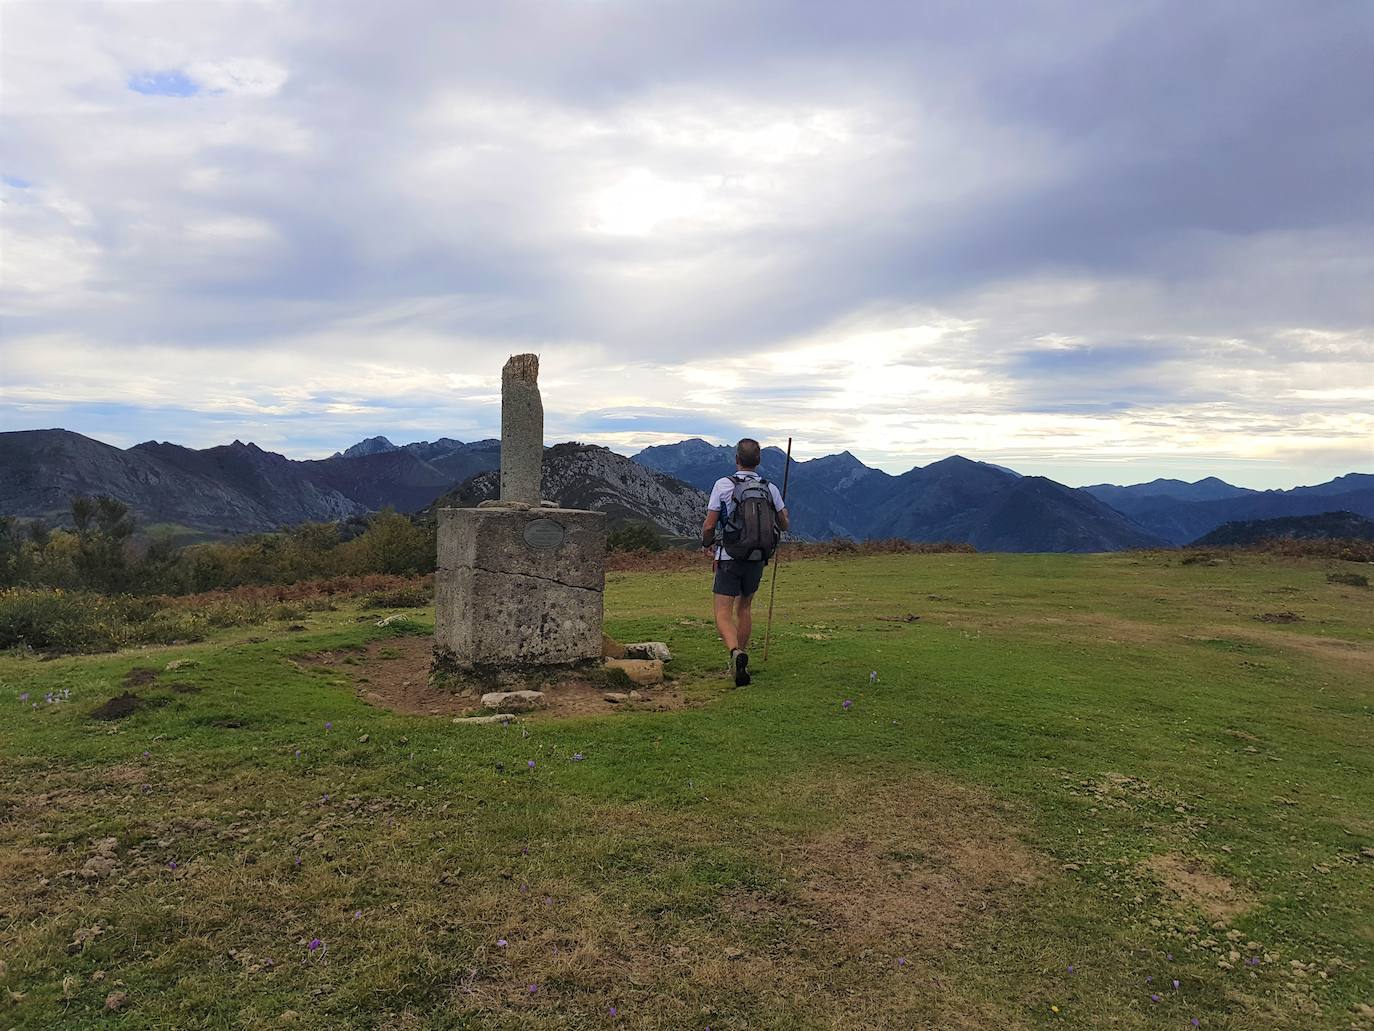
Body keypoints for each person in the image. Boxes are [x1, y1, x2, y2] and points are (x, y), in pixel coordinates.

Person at [700, 438, 789, 686]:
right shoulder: (769, 487)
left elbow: (710, 524)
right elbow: (783, 524)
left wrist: (706, 543)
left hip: (729, 556)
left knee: (722, 612)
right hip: (757, 557)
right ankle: (741, 659)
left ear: (736, 459)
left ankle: (734, 653)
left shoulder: (724, 485)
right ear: (758, 461)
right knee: (745, 608)